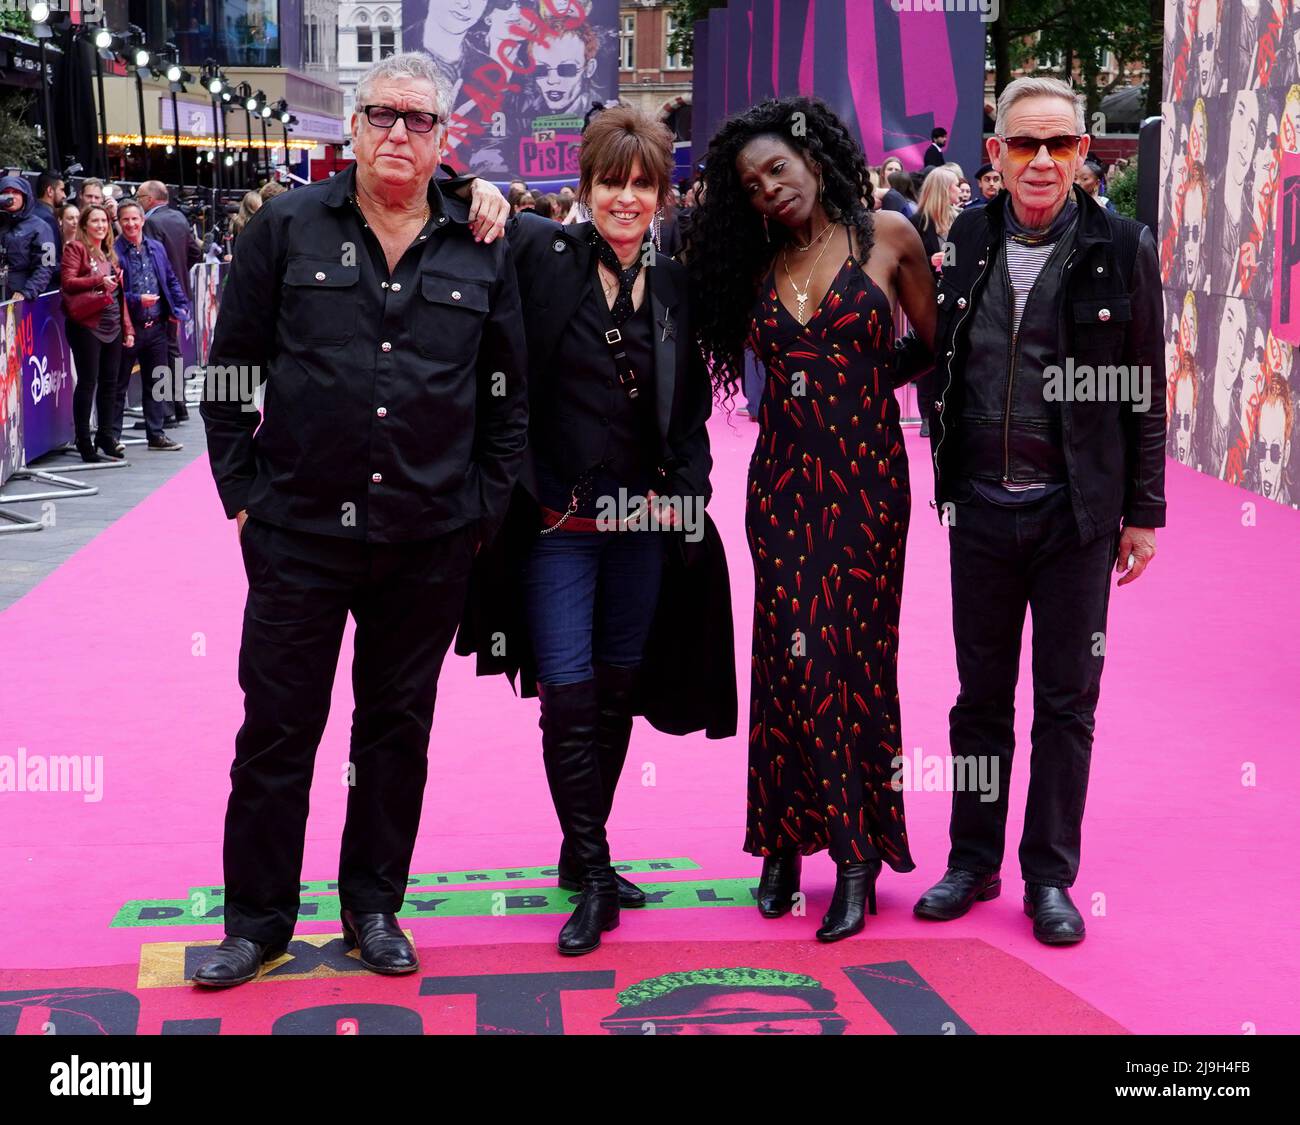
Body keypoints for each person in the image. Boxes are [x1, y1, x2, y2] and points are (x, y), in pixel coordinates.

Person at [194, 50, 528, 988]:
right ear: (353, 125)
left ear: (442, 139)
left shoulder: (481, 238)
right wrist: (244, 497)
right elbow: (228, 375)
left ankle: (373, 910)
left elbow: (509, 402)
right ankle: (256, 923)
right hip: (296, 533)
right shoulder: (287, 228)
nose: (397, 134)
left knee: (395, 731)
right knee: (276, 732)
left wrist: (480, 511)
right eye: (382, 115)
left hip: (428, 538)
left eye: (418, 121)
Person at [456, 105, 725, 956]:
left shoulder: (676, 286)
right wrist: (480, 194)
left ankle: (585, 854)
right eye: (613, 182)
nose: (627, 198)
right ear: (586, 186)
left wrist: (687, 498)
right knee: (566, 695)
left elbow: (686, 419)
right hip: (557, 526)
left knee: (616, 695)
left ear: (663, 194)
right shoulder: (543, 254)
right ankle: (596, 865)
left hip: (642, 527)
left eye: (643, 185)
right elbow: (437, 192)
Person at [911, 77, 1165, 945]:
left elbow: (1145, 388)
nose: (1044, 161)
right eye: (1025, 144)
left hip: (1075, 514)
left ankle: (1050, 874)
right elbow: (937, 357)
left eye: (1060, 144)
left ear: (1086, 151)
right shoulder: (966, 235)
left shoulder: (1121, 245)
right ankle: (971, 857)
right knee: (978, 698)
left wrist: (1144, 510)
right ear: (996, 153)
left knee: (1066, 701)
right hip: (980, 507)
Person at [690, 96, 936, 942]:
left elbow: (935, 344)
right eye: (752, 184)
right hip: (782, 489)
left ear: (815, 160)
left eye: (777, 170)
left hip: (870, 489)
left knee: (855, 658)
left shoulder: (889, 238)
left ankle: (856, 852)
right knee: (788, 657)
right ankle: (784, 844)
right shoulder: (751, 268)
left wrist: (869, 386)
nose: (769, 191)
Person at [112, 200, 189, 452]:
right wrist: (137, 300)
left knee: (156, 382)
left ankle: (156, 433)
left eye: (135, 219)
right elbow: (116, 292)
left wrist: (181, 306)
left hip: (156, 326)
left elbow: (169, 278)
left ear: (143, 220)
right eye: (126, 220)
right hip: (128, 328)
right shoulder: (114, 251)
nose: (131, 224)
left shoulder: (156, 248)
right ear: (119, 223)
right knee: (118, 383)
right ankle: (112, 436)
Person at [61, 205, 134, 462]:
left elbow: (118, 295)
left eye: (104, 221)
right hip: (86, 324)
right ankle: (83, 440)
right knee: (88, 382)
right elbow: (67, 282)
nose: (101, 226)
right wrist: (97, 280)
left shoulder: (108, 254)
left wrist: (128, 328)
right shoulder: (75, 248)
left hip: (112, 324)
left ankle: (105, 435)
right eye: (95, 221)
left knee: (110, 385)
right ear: (84, 225)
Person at [136, 181, 203, 424]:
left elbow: (151, 261)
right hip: (178, 293)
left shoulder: (152, 222)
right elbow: (197, 254)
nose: (137, 201)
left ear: (150, 198)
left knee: (160, 351)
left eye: (139, 196)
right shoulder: (179, 218)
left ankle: (165, 410)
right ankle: (177, 405)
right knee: (172, 349)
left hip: (160, 296)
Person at [911, 167, 962, 437]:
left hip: (953, 296)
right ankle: (926, 415)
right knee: (926, 354)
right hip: (925, 296)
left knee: (951, 354)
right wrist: (930, 263)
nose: (959, 190)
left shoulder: (957, 220)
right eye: (955, 186)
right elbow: (909, 264)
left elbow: (957, 260)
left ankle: (948, 410)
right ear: (944, 190)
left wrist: (949, 262)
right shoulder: (918, 221)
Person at [0, 175, 55, 303]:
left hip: (20, 297)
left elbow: (46, 266)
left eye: (15, 192)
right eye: (5, 192)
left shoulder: (40, 227)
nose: (10, 197)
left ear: (25, 196)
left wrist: (28, 291)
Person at [34, 171, 65, 263]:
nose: (64, 195)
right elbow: (50, 260)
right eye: (62, 190)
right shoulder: (47, 218)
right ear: (50, 191)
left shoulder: (32, 211)